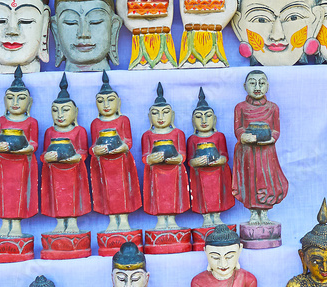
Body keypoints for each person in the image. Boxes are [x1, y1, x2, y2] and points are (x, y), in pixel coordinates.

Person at [0, 68, 38, 238]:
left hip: (22, 165)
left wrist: (26, 149)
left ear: (29, 102)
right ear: (4, 101)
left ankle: (16, 225)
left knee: (19, 194)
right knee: (3, 194)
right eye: (10, 98)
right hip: (2, 164)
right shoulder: (0, 121)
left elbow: (34, 143)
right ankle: (4, 224)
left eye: (21, 99)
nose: (15, 102)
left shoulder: (31, 122)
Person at [232, 71, 287, 224]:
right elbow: (238, 128)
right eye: (252, 83)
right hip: (248, 152)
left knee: (266, 179)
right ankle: (253, 212)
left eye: (261, 83)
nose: (257, 87)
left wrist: (271, 138)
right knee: (250, 180)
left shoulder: (273, 108)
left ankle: (264, 211)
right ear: (245, 86)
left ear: (267, 86)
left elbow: (276, 130)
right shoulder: (240, 107)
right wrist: (243, 136)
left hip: (266, 152)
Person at [90, 72, 142, 233]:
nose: (106, 104)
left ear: (118, 103)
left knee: (123, 190)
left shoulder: (123, 120)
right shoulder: (96, 123)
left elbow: (128, 142)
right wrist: (96, 150)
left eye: (110, 100)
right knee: (107, 191)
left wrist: (117, 148)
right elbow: (93, 146)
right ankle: (112, 220)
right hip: (103, 165)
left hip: (121, 162)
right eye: (101, 101)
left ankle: (124, 220)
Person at [40, 74, 91, 235]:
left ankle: (73, 222)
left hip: (74, 171)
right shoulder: (50, 131)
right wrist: (46, 158)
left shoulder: (79, 130)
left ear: (75, 113)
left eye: (65, 110)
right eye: (55, 111)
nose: (60, 115)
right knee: (58, 196)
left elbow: (83, 151)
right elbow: (44, 153)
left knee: (73, 195)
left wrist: (77, 157)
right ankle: (60, 222)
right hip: (55, 171)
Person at [141, 83, 189, 230]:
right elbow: (144, 156)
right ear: (149, 116)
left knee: (173, 195)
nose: (160, 117)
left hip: (174, 172)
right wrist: (150, 159)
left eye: (165, 112)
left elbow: (183, 154)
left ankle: (172, 220)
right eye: (155, 113)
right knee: (158, 196)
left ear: (172, 115)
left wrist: (177, 159)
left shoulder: (178, 133)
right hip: (155, 173)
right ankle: (161, 220)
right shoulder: (147, 135)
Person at [187, 89, 234, 228]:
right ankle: (206, 217)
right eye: (199, 117)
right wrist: (195, 162)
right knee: (203, 194)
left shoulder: (219, 136)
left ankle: (217, 216)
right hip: (200, 174)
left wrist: (221, 160)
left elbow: (225, 156)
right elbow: (189, 160)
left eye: (208, 116)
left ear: (214, 120)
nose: (203, 120)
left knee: (217, 193)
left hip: (218, 173)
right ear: (193, 121)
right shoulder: (192, 139)